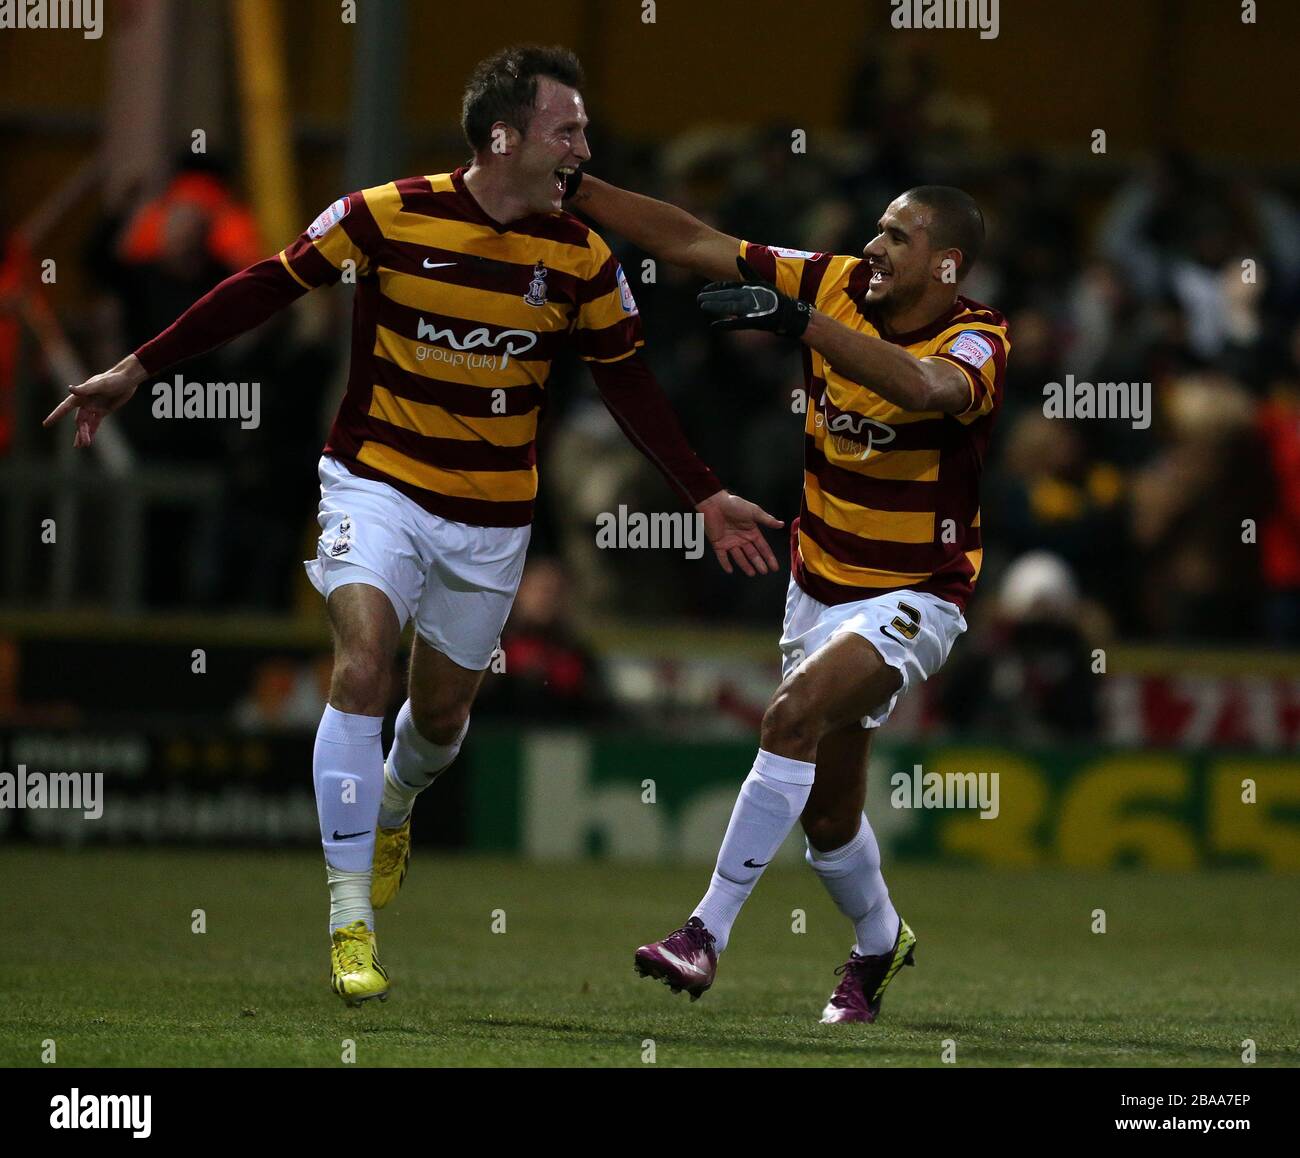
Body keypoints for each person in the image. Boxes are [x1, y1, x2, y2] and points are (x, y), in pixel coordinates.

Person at [43, 44, 781, 1007]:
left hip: (490, 519)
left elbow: (627, 382)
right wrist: (137, 369)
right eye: (569, 130)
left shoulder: (581, 255)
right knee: (360, 666)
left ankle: (394, 801)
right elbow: (265, 285)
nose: (583, 149)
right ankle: (350, 920)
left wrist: (701, 491)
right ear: (505, 136)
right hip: (373, 484)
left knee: (436, 723)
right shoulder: (384, 215)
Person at [568, 172, 1009, 1022]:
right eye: (877, 228)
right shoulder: (834, 280)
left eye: (899, 237)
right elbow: (697, 244)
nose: (875, 245)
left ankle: (704, 934)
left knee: (789, 716)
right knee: (830, 819)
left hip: (920, 591)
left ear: (948, 266)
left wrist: (800, 324)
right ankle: (882, 942)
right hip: (818, 587)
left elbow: (923, 390)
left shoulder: (980, 337)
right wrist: (576, 188)